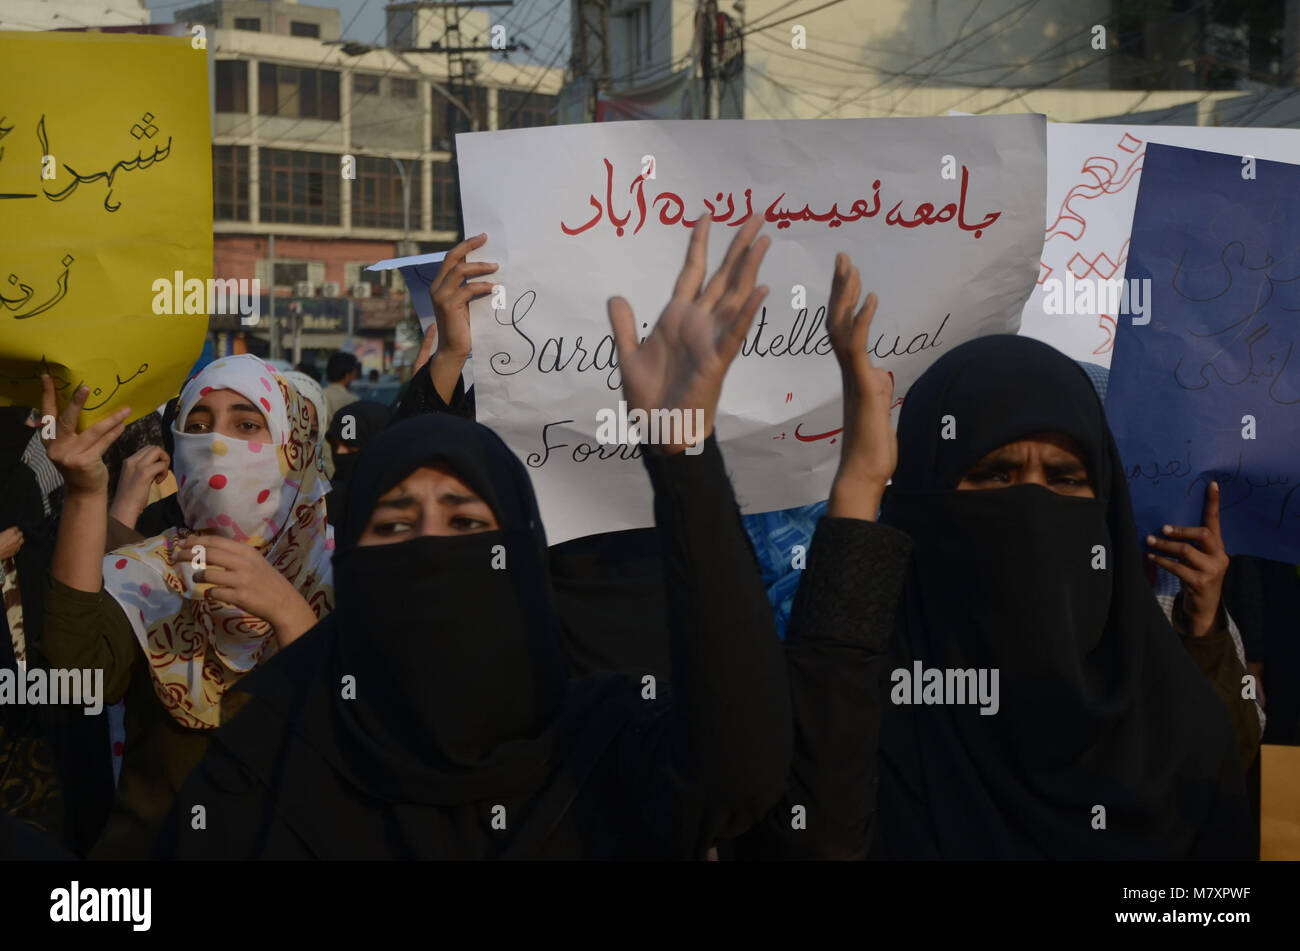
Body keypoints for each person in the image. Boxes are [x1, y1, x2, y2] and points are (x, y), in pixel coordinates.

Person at [157, 216, 795, 860]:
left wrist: (684, 454)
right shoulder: (265, 765)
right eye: (395, 525)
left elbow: (738, 774)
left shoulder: (602, 746)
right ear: (349, 555)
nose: (430, 545)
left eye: (465, 523)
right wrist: (448, 360)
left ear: (520, 554)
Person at [797, 255, 1253, 860]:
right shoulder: (865, 703)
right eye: (995, 474)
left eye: (1065, 479)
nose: (1031, 509)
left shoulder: (1183, 727)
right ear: (924, 497)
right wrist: (858, 488)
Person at [40, 355, 335, 859]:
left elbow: (355, 738)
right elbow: (73, 677)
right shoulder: (147, 572)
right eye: (197, 427)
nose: (217, 444)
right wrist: (86, 494)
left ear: (294, 447)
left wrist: (288, 613)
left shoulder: (341, 574)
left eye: (247, 425)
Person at [323, 400, 391, 529]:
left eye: (350, 447)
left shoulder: (393, 505)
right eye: (335, 445)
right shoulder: (327, 496)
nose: (339, 452)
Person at [323, 352, 360, 427]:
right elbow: (351, 431)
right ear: (347, 375)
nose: (355, 374)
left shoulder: (319, 394)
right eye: (354, 371)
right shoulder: (351, 400)